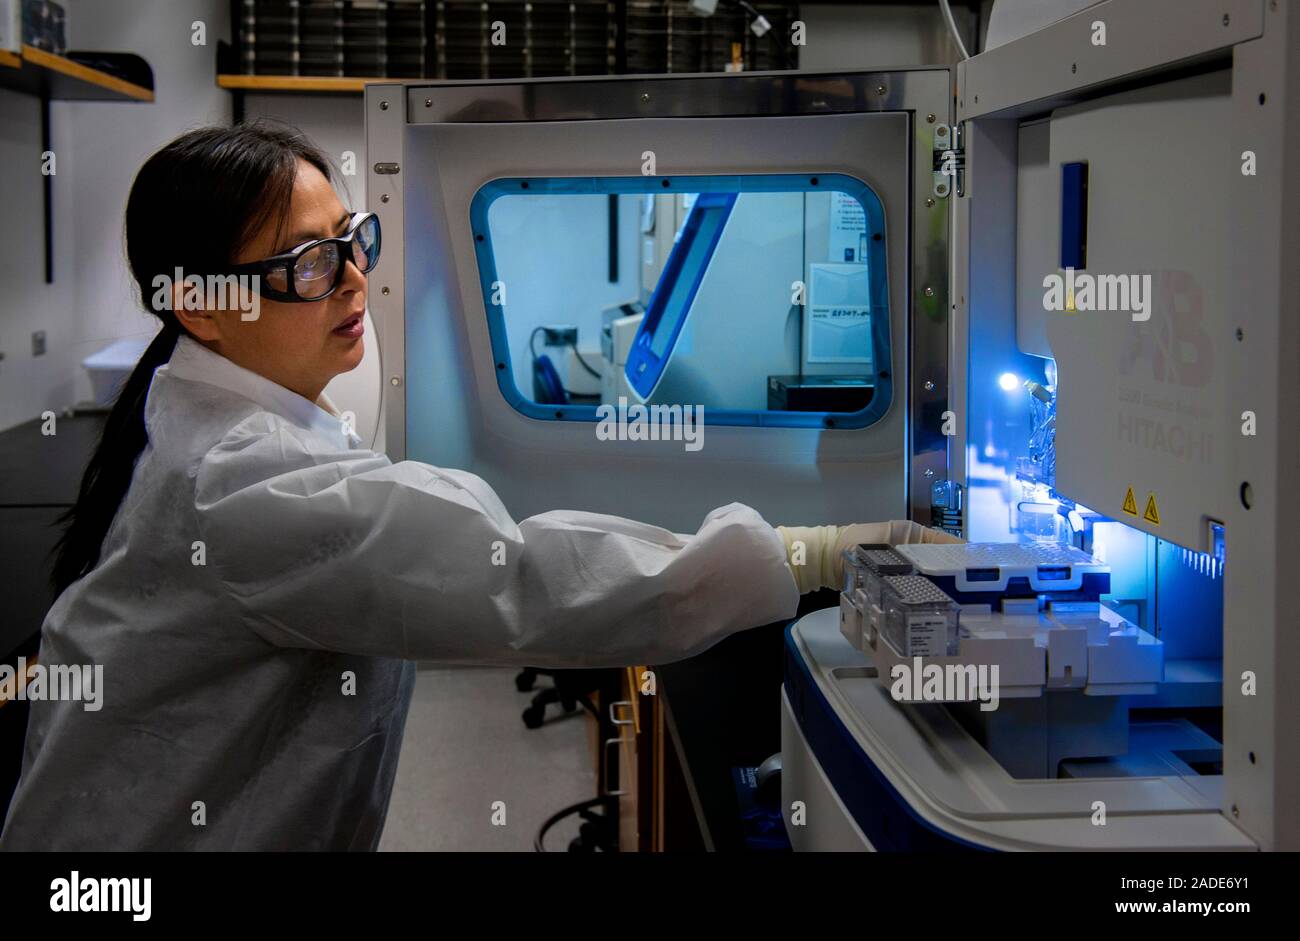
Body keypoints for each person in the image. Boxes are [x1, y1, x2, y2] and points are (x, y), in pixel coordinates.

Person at [0, 123, 953, 851]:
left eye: (352, 238)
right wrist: (826, 551)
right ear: (200, 308)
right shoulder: (242, 486)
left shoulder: (216, 416)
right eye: (309, 263)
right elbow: (520, 579)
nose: (354, 280)